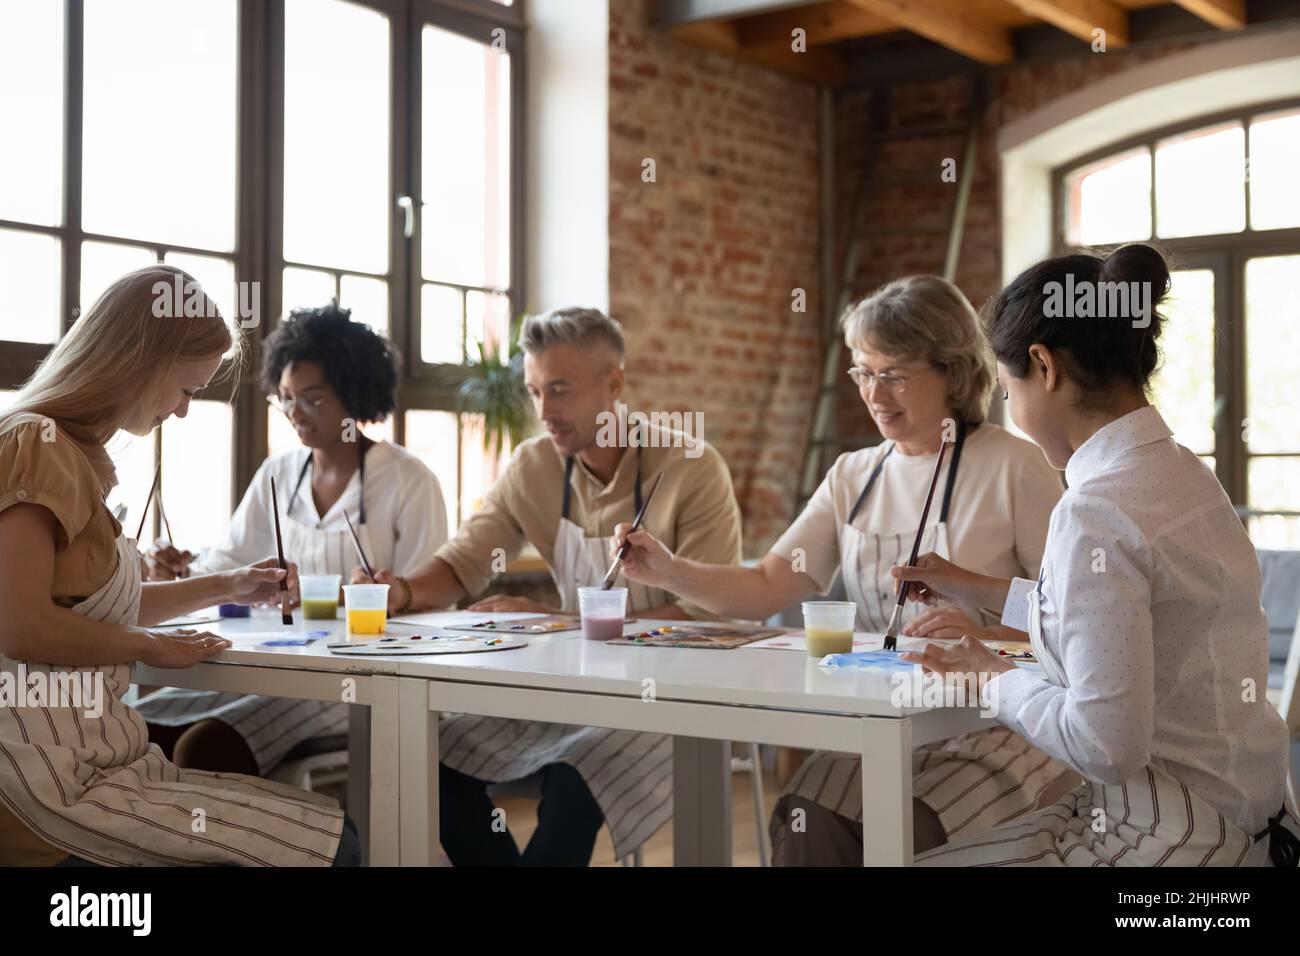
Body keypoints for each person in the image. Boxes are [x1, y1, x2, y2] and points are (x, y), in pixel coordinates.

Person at [614, 276, 1075, 864]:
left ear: (953, 372)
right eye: (863, 372)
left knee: (907, 832)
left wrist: (981, 633)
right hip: (883, 722)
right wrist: (669, 570)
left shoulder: (1016, 467)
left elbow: (1073, 622)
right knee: (808, 822)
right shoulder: (853, 475)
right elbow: (765, 587)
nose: (875, 394)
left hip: (999, 723)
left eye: (895, 374)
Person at [894, 244, 1299, 866]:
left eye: (1007, 389)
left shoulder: (1095, 509)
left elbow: (1103, 745)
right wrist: (973, 587)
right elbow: (1112, 621)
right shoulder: (1180, 473)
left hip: (1169, 842)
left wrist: (985, 671)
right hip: (1253, 822)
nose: (1010, 406)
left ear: (1043, 366)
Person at [354, 307, 743, 865]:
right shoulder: (532, 466)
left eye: (559, 391)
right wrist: (404, 593)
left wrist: (561, 624)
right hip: (568, 688)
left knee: (574, 774)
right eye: (534, 391)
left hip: (672, 696)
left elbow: (711, 619)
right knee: (426, 751)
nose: (544, 411)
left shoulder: (691, 466)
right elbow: (464, 561)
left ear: (614, 385)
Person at [0, 266, 356, 866]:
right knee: (336, 848)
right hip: (46, 782)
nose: (185, 411)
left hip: (91, 758)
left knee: (335, 836)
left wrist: (229, 584)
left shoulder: (71, 457)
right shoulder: (37, 443)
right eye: (187, 390)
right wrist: (148, 647)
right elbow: (20, 624)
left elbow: (90, 606)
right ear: (138, 363)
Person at [136, 304, 447, 775]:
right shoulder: (278, 475)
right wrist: (178, 569)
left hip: (362, 680)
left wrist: (375, 595)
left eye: (313, 397)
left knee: (207, 747)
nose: (294, 413)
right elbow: (228, 562)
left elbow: (431, 602)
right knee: (145, 727)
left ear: (354, 392)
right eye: (284, 397)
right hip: (275, 667)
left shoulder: (407, 480)